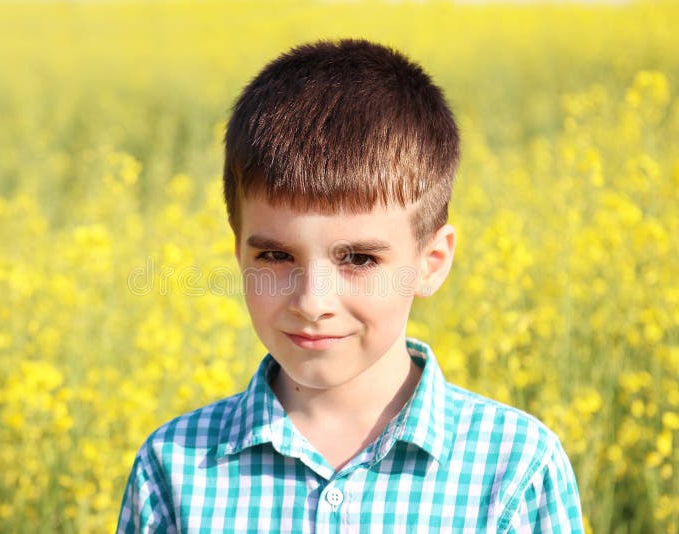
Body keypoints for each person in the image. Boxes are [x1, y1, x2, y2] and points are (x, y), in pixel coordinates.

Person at [117, 38, 584, 533]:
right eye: (275, 256)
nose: (312, 303)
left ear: (431, 261)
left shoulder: (515, 470)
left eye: (359, 258)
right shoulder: (174, 470)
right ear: (239, 255)